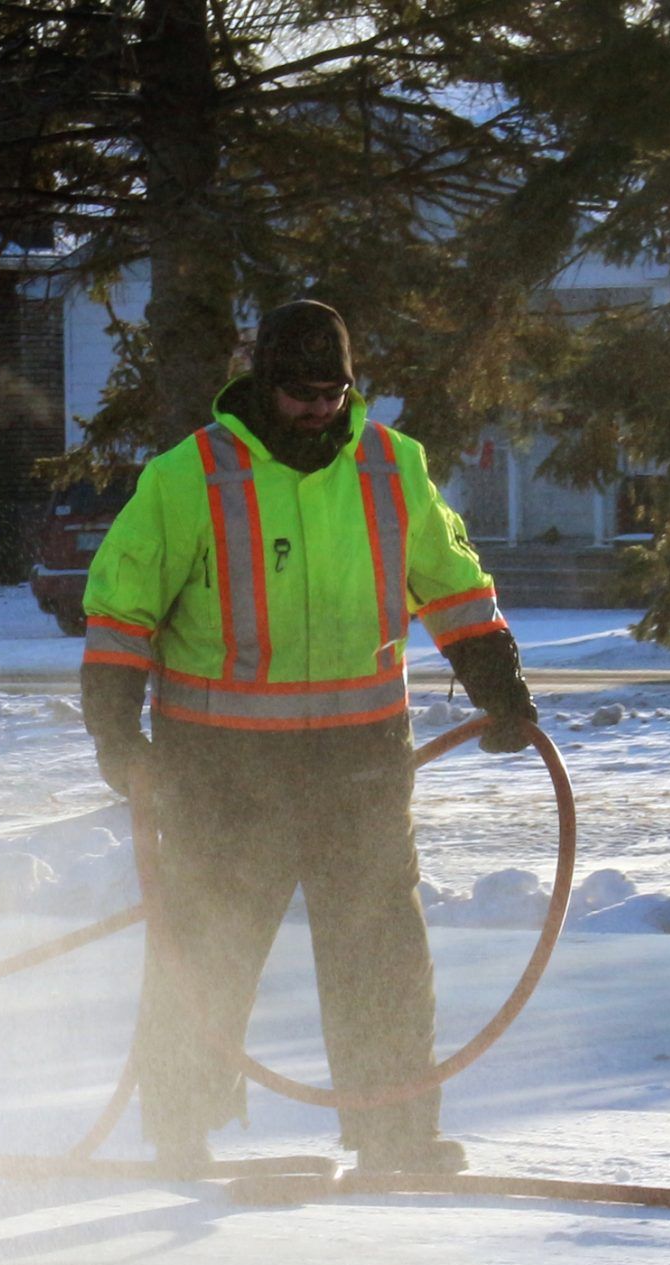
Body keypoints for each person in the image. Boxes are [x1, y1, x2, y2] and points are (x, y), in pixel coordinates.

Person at [78, 299, 539, 1179]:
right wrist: (116, 732)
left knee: (379, 948)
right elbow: (121, 612)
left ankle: (395, 1131)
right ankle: (180, 1129)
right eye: (300, 395)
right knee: (206, 947)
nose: (318, 412)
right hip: (221, 765)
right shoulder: (189, 478)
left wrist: (498, 684)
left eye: (333, 395)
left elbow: (452, 585)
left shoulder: (392, 466)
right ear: (262, 386)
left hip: (359, 757)